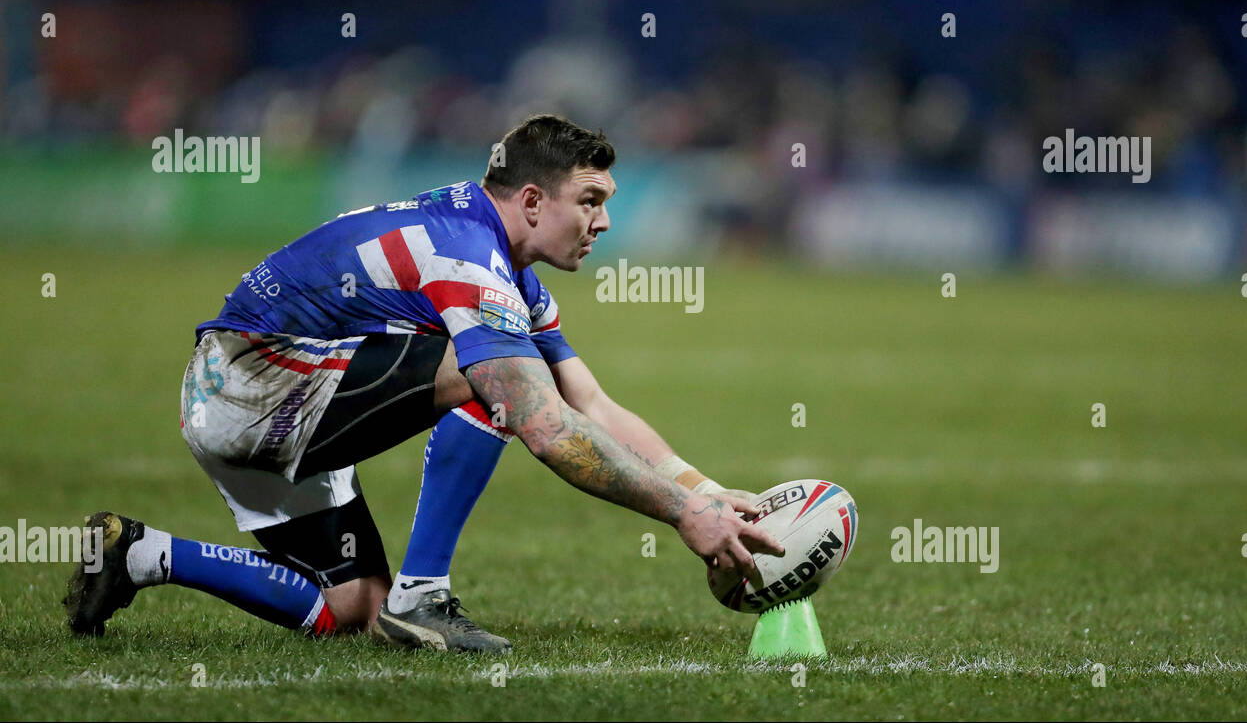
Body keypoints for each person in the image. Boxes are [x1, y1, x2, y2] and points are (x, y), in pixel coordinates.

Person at [65, 114, 783, 652]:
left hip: (249, 390)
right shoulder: (468, 258)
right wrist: (681, 517)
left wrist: (704, 493)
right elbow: (547, 426)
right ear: (533, 200)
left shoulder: (498, 263)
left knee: (351, 607)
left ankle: (138, 552)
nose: (603, 221)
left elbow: (589, 402)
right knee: (497, 383)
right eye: (590, 200)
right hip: (254, 386)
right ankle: (425, 596)